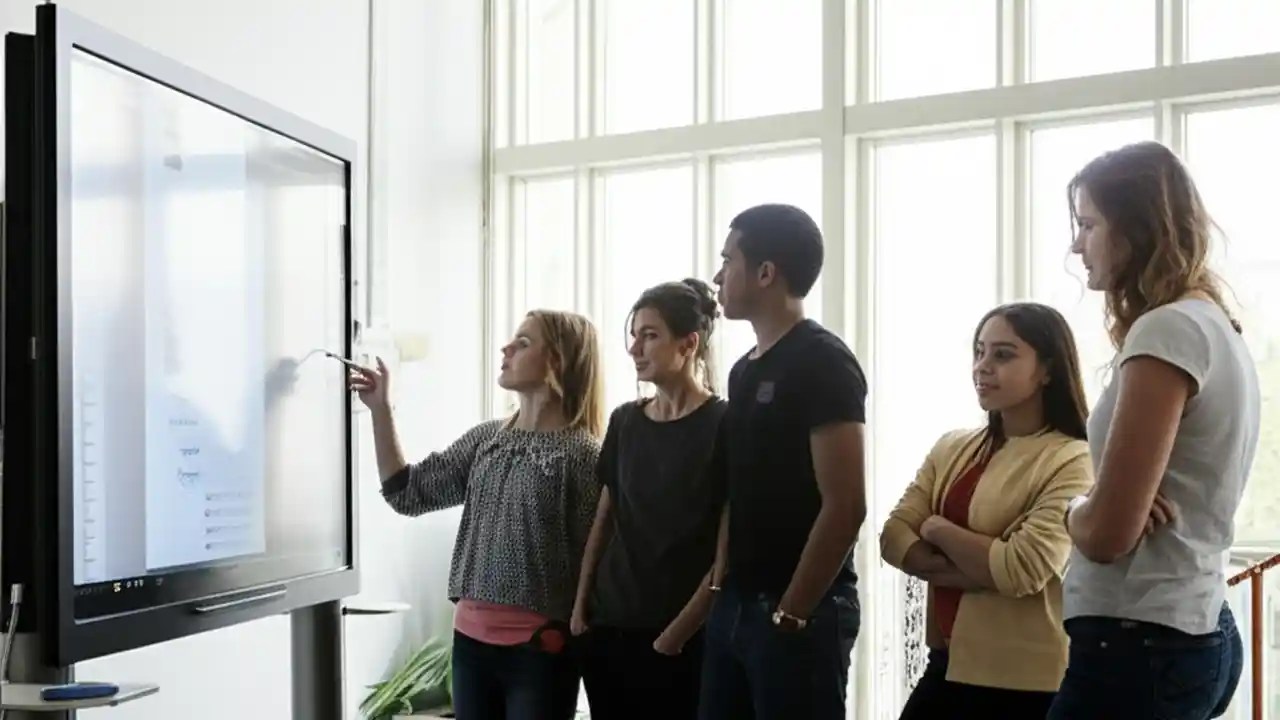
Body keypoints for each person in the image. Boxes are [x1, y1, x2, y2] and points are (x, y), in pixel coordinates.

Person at [1048, 141, 1257, 720]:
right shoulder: (1213, 325)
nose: (1076, 244)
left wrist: (1073, 509)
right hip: (1179, 628)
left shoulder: (1168, 331)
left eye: (1089, 224)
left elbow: (1108, 533)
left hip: (1137, 640)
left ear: (1136, 229)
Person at [349, 310, 606, 720]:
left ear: (557, 360)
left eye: (523, 343)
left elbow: (601, 564)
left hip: (541, 648)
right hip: (470, 644)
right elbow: (407, 493)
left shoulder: (584, 455)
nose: (506, 348)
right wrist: (381, 410)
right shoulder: (487, 439)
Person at [880, 302, 1095, 718]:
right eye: (979, 352)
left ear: (1048, 370)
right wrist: (982, 571)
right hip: (945, 662)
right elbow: (893, 538)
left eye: (1003, 355)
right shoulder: (953, 446)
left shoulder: (1073, 457)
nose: (983, 366)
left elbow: (1022, 569)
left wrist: (936, 528)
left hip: (1024, 680)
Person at [699, 203, 867, 720]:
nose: (718, 276)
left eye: (728, 260)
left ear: (766, 272)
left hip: (799, 611)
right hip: (736, 605)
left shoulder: (823, 360)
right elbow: (738, 490)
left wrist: (792, 612)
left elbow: (846, 506)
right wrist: (721, 585)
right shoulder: (742, 371)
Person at [571, 279, 729, 720]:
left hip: (683, 634)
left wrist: (677, 634)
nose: (635, 348)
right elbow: (604, 520)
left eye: (650, 335)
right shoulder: (625, 421)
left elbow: (728, 547)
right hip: (609, 624)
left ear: (688, 344)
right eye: (634, 335)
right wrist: (581, 607)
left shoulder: (725, 423)